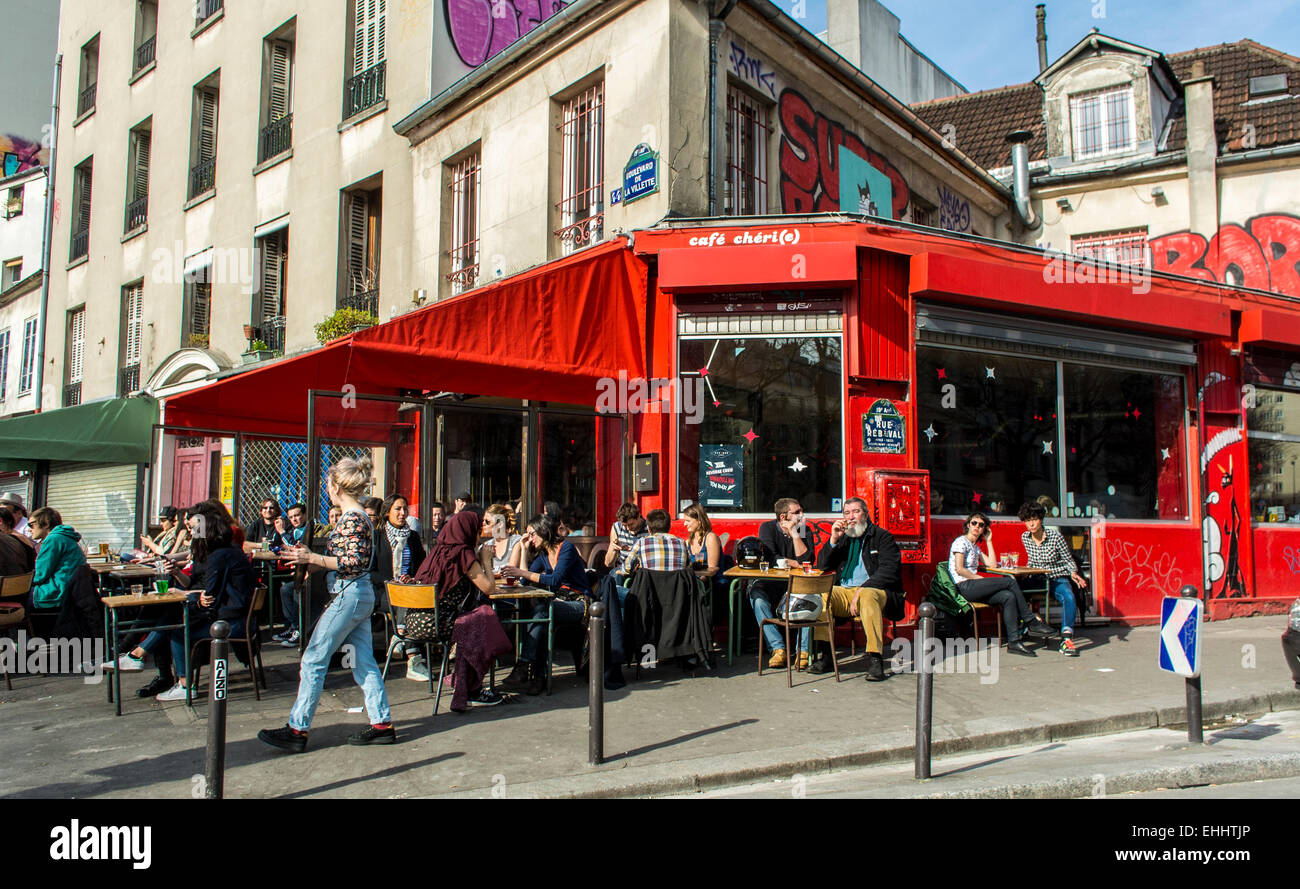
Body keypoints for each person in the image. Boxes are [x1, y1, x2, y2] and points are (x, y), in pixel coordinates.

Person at [259, 457, 396, 752]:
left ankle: (298, 729)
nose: (325, 487)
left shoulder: (351, 518)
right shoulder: (357, 517)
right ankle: (382, 724)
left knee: (314, 658)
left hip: (348, 593)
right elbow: (354, 561)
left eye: (327, 482)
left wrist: (311, 558)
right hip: (357, 594)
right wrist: (308, 555)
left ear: (335, 486)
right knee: (363, 662)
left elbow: (353, 563)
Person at [146, 501, 256, 702]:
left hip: (230, 622)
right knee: (172, 619)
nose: (192, 533)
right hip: (239, 617)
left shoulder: (218, 556)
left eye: (196, 528)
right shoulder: (228, 551)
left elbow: (211, 599)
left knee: (179, 630)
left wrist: (194, 601)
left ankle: (184, 685)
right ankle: (138, 654)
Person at [413, 510, 508, 710]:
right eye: (477, 528)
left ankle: (466, 681)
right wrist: (485, 561)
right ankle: (471, 688)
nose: (479, 532)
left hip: (414, 623)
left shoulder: (437, 551)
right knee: (484, 615)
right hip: (439, 624)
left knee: (474, 617)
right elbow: (489, 588)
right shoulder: (462, 553)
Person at [811, 497, 902, 681]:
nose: (851, 517)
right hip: (845, 591)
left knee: (868, 595)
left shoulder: (881, 536)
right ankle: (827, 655)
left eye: (855, 511)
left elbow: (889, 570)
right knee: (820, 595)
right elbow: (822, 564)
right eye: (847, 513)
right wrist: (833, 539)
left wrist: (862, 590)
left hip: (875, 591)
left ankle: (876, 660)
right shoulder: (844, 538)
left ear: (866, 514)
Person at [501, 513, 592, 695]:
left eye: (531, 534)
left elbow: (555, 580)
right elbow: (525, 581)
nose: (529, 538)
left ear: (543, 531)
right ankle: (537, 677)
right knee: (541, 617)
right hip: (557, 603)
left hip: (579, 604)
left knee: (542, 611)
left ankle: (526, 668)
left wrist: (522, 572)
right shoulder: (542, 554)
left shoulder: (566, 548)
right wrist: (523, 549)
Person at [949, 512, 1052, 656]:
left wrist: (989, 541)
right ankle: (1031, 621)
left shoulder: (974, 547)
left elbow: (992, 564)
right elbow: (959, 569)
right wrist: (978, 578)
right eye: (974, 523)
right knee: (1010, 581)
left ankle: (1014, 642)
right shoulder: (961, 542)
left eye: (981, 525)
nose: (977, 527)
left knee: (1007, 596)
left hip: (974, 587)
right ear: (968, 525)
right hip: (964, 587)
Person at [752, 497, 816, 669]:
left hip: (795, 584)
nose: (802, 515)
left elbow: (807, 560)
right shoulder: (768, 528)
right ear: (783, 517)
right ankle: (778, 649)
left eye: (801, 511)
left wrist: (795, 534)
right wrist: (795, 563)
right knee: (757, 597)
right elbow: (770, 557)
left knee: (808, 595)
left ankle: (803, 651)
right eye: (797, 513)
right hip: (771, 583)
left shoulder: (803, 530)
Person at [371, 493, 429, 678]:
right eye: (398, 509)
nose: (402, 513)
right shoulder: (377, 536)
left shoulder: (412, 537)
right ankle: (414, 658)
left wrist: (411, 579)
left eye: (405, 509)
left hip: (409, 589)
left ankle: (399, 636)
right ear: (387, 512)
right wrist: (390, 581)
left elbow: (422, 566)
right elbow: (370, 570)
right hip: (384, 592)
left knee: (411, 600)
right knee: (408, 601)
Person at [1019, 502, 1087, 657]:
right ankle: (1029, 622)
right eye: (1028, 520)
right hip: (1037, 577)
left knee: (1068, 597)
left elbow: (1068, 560)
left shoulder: (1056, 537)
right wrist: (1025, 571)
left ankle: (1066, 638)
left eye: (1034, 519)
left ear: (1041, 519)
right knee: (1014, 589)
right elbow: (1032, 560)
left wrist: (1073, 573)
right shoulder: (1025, 537)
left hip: (1057, 577)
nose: (1031, 523)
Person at [270, 502, 321, 648]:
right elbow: (280, 544)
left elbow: (295, 546)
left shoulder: (310, 528)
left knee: (294, 590)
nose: (294, 519)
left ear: (304, 515)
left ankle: (298, 629)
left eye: (297, 515)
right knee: (285, 589)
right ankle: (293, 627)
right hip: (298, 571)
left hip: (312, 573)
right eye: (291, 517)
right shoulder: (293, 529)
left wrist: (282, 532)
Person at [28, 507, 86, 610]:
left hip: (57, 592)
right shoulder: (64, 537)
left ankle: (23, 627)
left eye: (31, 525)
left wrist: (20, 580)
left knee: (14, 595)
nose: (29, 529)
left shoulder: (53, 539)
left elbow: (40, 575)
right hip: (70, 589)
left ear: (45, 524)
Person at [623, 509, 691, 576]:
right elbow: (687, 565)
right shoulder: (681, 542)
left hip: (648, 586)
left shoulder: (641, 542)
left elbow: (627, 568)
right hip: (676, 586)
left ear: (648, 529)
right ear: (669, 526)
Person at [603, 502, 647, 578]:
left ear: (638, 516)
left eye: (631, 524)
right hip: (622, 567)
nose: (628, 528)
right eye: (625, 525)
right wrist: (613, 549)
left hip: (641, 569)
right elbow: (608, 563)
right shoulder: (617, 527)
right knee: (616, 576)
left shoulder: (648, 528)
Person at [478, 503, 523, 575]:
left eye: (487, 521)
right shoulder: (485, 545)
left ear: (500, 524)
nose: (483, 523)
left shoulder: (515, 541)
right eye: (483, 520)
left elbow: (510, 571)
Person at [680, 503, 722, 579]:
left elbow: (712, 570)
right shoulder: (688, 542)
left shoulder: (710, 538)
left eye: (688, 521)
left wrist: (697, 581)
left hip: (713, 583)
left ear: (699, 520)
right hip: (697, 582)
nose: (684, 524)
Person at [0, 506, 35, 575]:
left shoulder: (5, 540)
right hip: (25, 581)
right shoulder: (23, 538)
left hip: (7, 582)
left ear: (0, 521)